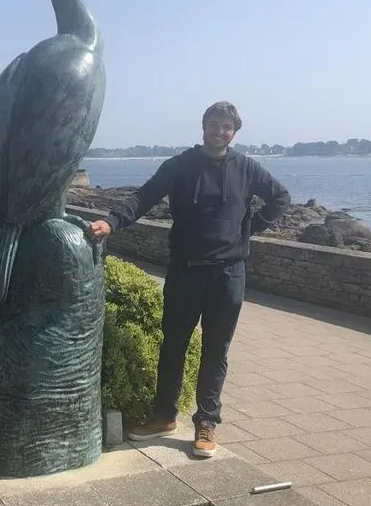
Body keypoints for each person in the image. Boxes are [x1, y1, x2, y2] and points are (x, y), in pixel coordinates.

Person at [86, 101, 291, 458]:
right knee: (173, 345)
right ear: (204, 127)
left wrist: (251, 229)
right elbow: (144, 196)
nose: (220, 131)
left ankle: (207, 423)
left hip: (228, 274)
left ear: (234, 132)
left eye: (227, 126)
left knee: (216, 350)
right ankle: (164, 416)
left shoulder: (246, 167)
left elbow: (281, 197)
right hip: (185, 271)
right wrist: (113, 222)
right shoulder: (181, 166)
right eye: (214, 124)